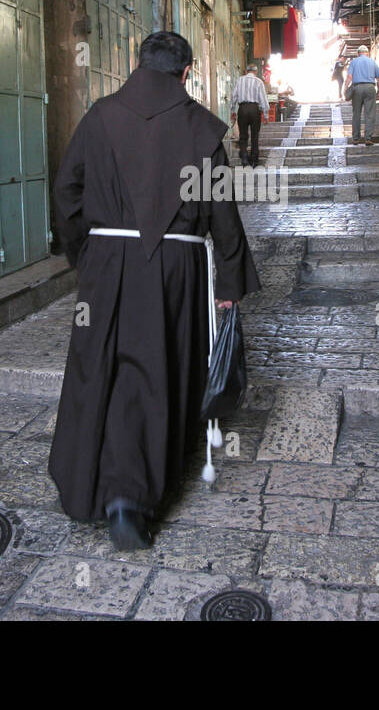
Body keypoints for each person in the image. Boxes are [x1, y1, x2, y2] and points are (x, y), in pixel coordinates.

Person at [49, 32, 261, 549]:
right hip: (174, 267)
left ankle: (87, 486)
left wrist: (85, 252)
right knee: (156, 369)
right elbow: (223, 216)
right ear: (186, 72)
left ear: (135, 64)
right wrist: (228, 283)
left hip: (106, 262)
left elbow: (66, 192)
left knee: (98, 368)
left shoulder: (99, 117)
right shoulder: (201, 128)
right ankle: (131, 498)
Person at [232, 63, 269, 165]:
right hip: (254, 109)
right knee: (254, 135)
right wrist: (265, 114)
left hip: (242, 109)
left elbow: (234, 96)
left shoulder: (240, 80)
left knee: (243, 135)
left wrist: (232, 111)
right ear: (256, 72)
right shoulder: (259, 82)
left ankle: (244, 157)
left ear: (246, 71)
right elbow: (263, 99)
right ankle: (253, 159)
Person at [345, 45, 379, 144]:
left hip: (357, 88)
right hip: (370, 88)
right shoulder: (372, 62)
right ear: (367, 53)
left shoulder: (354, 62)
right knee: (370, 114)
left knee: (356, 114)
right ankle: (368, 138)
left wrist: (345, 89)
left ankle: (356, 138)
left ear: (358, 53)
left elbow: (349, 77)